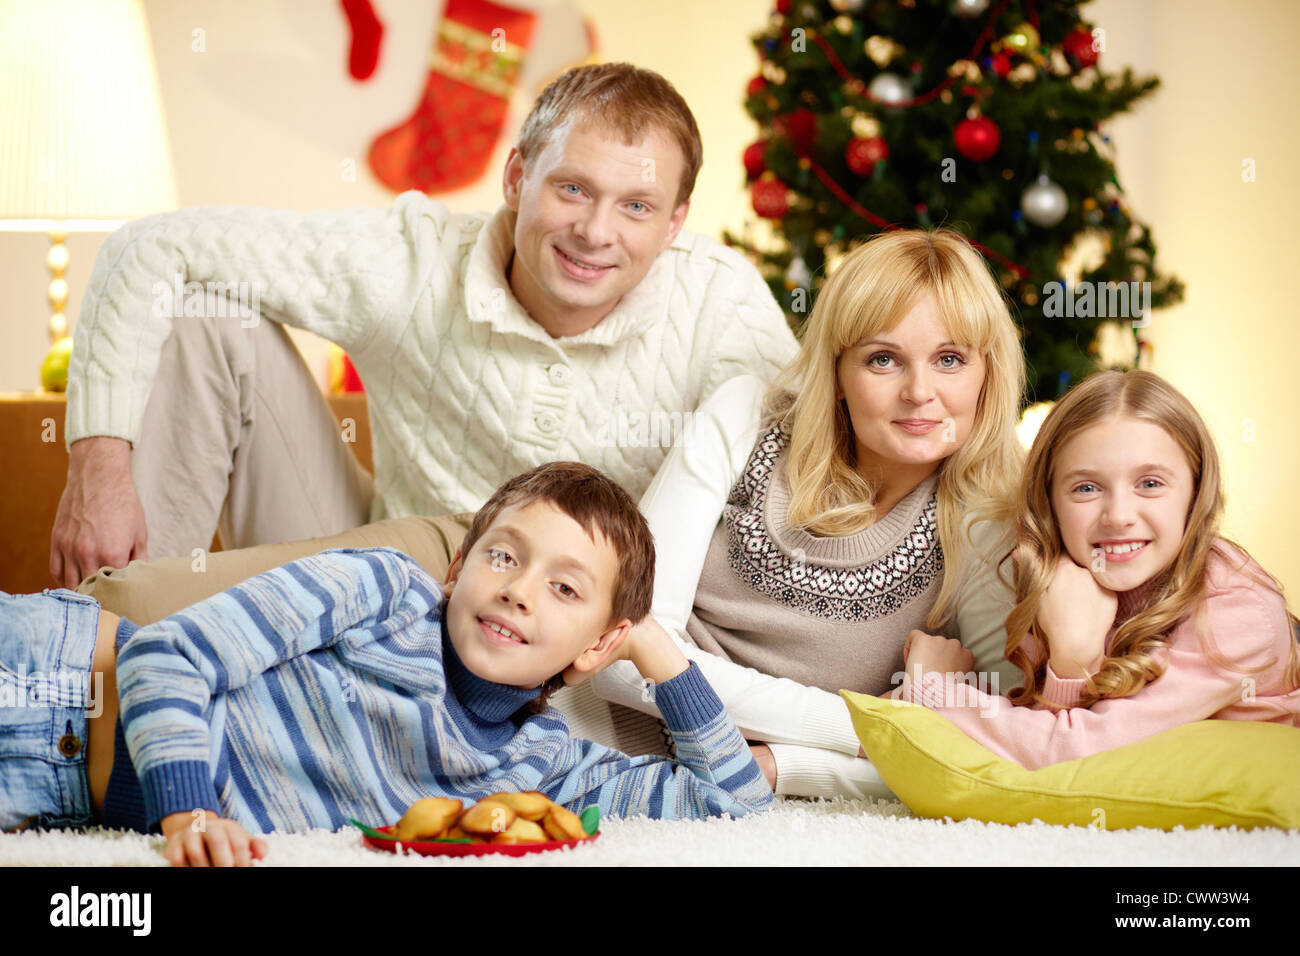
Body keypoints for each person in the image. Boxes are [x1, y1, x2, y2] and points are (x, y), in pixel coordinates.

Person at [51, 61, 797, 589]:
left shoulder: (719, 299)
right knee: (203, 311)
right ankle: (119, 645)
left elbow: (811, 471)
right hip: (380, 580)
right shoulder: (411, 261)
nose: (596, 231)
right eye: (571, 188)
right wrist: (99, 468)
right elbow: (153, 247)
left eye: (635, 206)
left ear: (674, 224)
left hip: (580, 639)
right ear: (515, 179)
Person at [3, 462, 773, 866]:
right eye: (503, 557)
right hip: (52, 675)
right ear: (457, 568)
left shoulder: (546, 772)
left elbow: (733, 806)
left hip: (55, 798)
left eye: (565, 588)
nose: (517, 591)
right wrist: (189, 810)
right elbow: (170, 654)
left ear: (599, 645)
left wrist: (654, 648)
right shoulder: (381, 588)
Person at [575, 228, 1028, 800]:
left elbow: (994, 746)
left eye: (950, 359)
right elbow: (618, 642)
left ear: (987, 372)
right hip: (582, 723)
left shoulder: (983, 521)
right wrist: (871, 725)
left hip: (705, 796)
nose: (920, 391)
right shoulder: (745, 416)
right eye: (883, 359)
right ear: (838, 374)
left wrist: (787, 767)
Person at [896, 370, 1300, 767]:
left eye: (1151, 483)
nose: (1119, 516)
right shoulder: (1066, 579)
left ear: (1195, 493)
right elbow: (1046, 751)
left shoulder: (1239, 614)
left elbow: (1069, 756)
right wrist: (1073, 661)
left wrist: (935, 690)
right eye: (1086, 488)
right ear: (1049, 502)